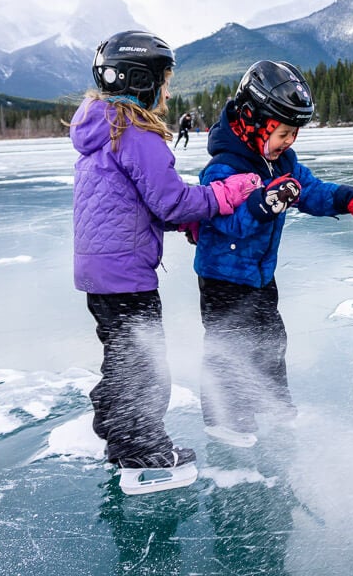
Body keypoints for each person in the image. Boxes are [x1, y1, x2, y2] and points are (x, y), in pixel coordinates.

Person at [71, 30, 262, 495]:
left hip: (99, 269)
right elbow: (171, 200)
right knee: (144, 365)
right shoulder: (136, 133)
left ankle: (115, 425)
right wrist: (223, 195)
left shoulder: (101, 127)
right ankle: (141, 450)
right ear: (141, 82)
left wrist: (182, 222)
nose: (169, 93)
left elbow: (133, 202)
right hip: (126, 273)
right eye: (165, 82)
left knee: (123, 355)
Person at [191, 60, 353, 448]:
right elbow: (226, 222)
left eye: (294, 133)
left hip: (261, 275)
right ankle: (225, 419)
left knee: (271, 341)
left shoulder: (281, 162)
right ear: (253, 122)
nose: (289, 141)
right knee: (229, 348)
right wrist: (262, 204)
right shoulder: (223, 168)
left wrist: (347, 200)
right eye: (283, 133)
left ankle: (273, 406)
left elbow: (308, 189)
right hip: (223, 278)